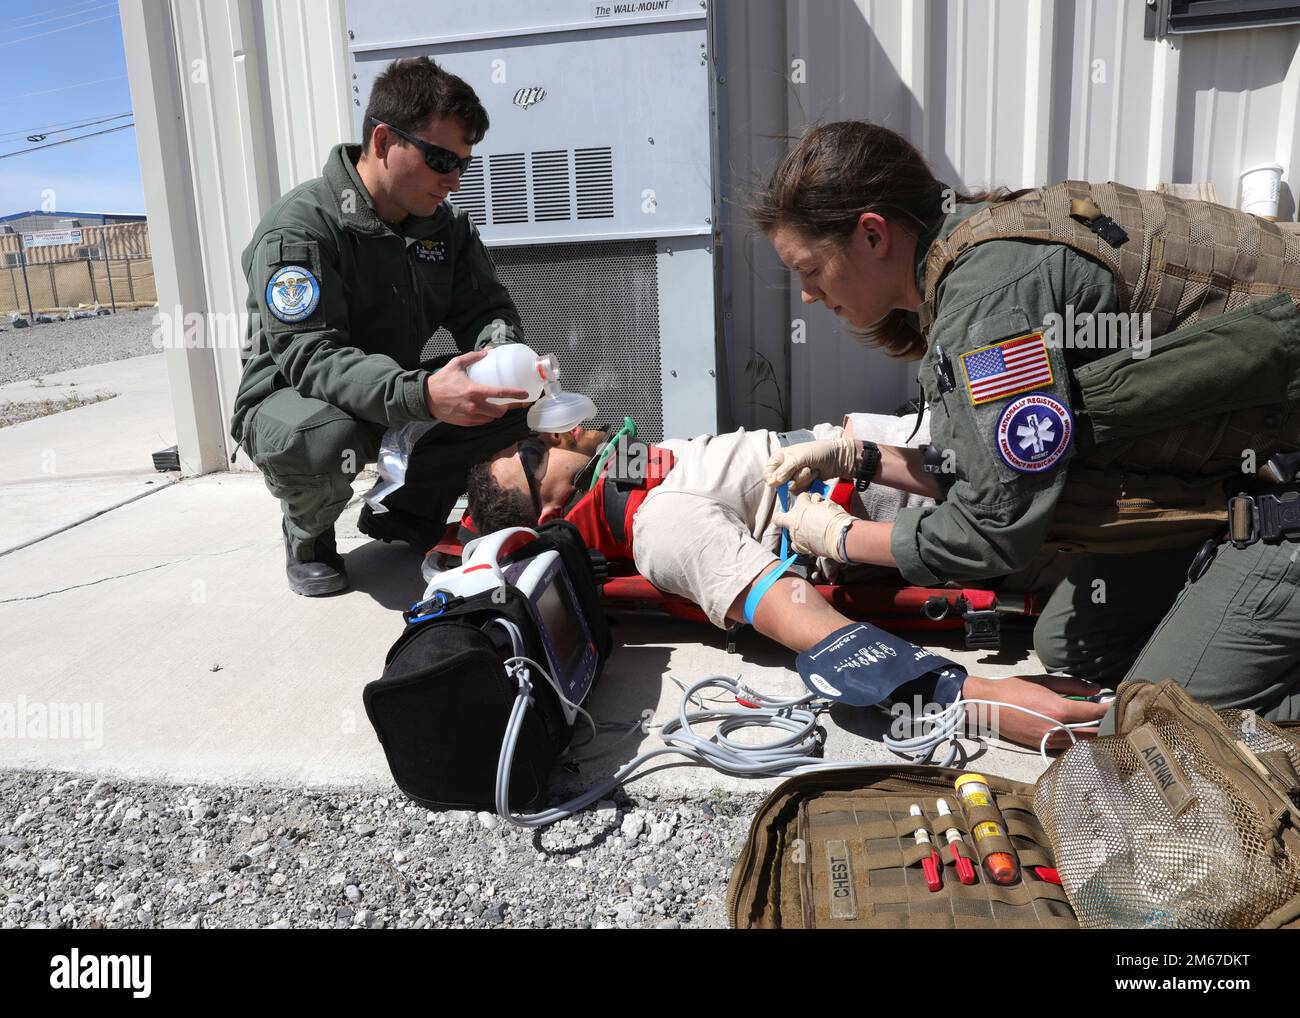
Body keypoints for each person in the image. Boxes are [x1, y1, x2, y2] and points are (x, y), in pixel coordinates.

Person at [752, 120, 1300, 726]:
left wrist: (840, 537)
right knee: (1072, 646)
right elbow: (996, 466)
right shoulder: (977, 245)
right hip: (1243, 473)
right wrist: (860, 456)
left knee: (1149, 729)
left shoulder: (990, 305)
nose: (806, 295)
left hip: (1285, 493)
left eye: (808, 269)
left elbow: (990, 532)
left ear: (873, 234)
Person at [466, 418, 1108, 750]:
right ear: (550, 513)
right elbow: (806, 622)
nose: (546, 439)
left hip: (916, 454)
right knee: (1133, 527)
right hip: (943, 505)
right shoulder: (661, 528)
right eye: (531, 457)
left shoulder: (641, 473)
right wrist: (979, 698)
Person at [229, 56, 532, 596]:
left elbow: (485, 309)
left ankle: (404, 515)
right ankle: (308, 533)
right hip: (297, 401)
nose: (453, 179)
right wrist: (421, 394)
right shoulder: (301, 226)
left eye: (462, 163)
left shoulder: (445, 226)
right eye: (440, 159)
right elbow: (311, 358)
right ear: (385, 140)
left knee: (509, 397)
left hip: (390, 389)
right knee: (323, 439)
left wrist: (501, 352)